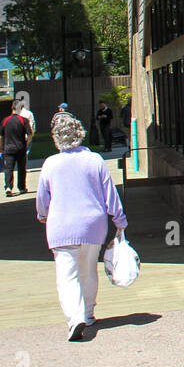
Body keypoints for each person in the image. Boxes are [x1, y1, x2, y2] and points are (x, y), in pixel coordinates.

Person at [36, 111, 128, 342]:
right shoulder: (94, 160)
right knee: (88, 271)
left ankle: (74, 318)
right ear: (80, 134)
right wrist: (120, 221)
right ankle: (87, 313)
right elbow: (110, 193)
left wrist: (42, 214)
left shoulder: (50, 164)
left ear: (56, 138)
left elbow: (42, 199)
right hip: (92, 226)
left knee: (67, 276)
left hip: (61, 228)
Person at [0, 99, 32, 197]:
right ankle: (21, 187)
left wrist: (0, 148)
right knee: (21, 168)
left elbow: (0, 136)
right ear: (20, 109)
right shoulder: (24, 120)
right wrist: (26, 143)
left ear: (12, 108)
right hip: (20, 148)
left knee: (8, 168)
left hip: (8, 148)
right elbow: (30, 134)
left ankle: (8, 187)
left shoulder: (5, 120)